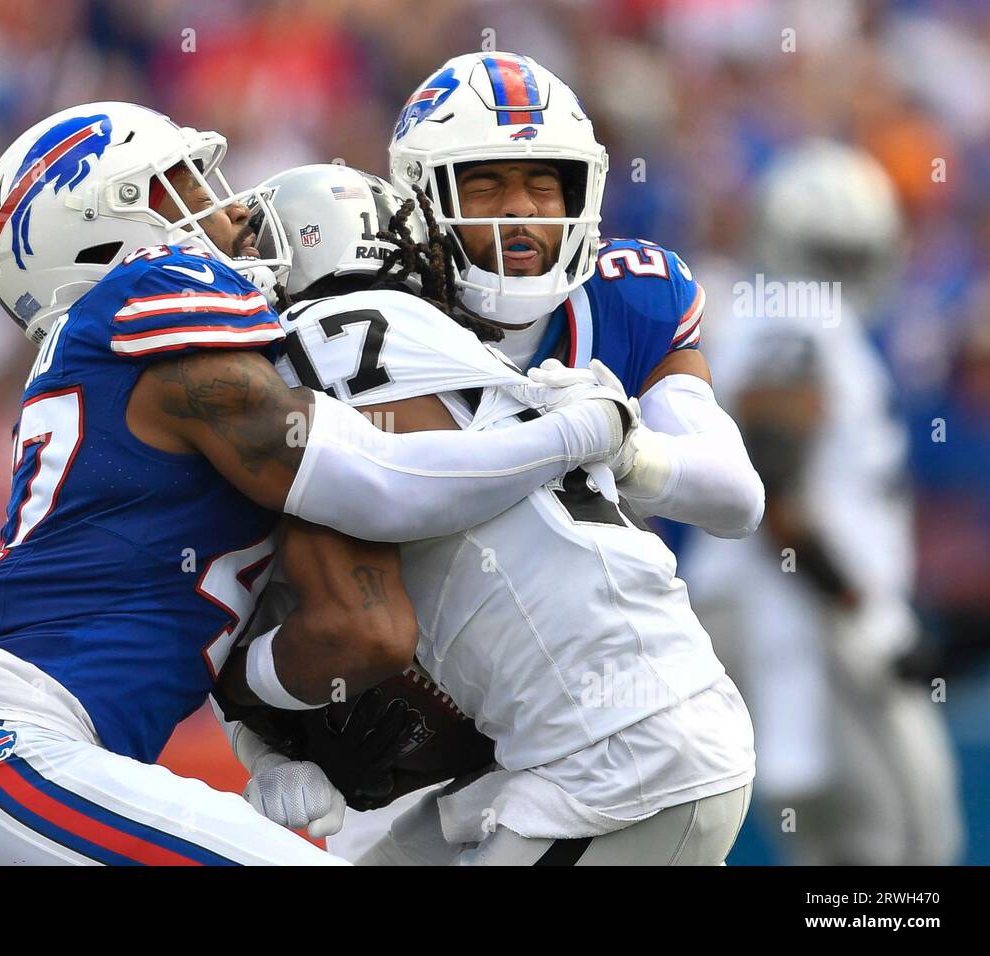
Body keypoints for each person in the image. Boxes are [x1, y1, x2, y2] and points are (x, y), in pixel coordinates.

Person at [0, 102, 633, 866]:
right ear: (112, 228)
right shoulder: (153, 288)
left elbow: (198, 605)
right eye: (183, 184)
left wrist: (265, 752)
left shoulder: (118, 371)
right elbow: (368, 479)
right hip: (7, 754)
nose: (230, 209)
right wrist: (573, 430)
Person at [219, 164, 755, 865]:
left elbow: (358, 594)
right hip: (613, 737)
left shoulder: (308, 353)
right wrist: (261, 747)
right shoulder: (438, 344)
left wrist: (243, 700)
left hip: (621, 764)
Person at [682, 141, 963, 865]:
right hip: (802, 617)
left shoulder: (778, 320)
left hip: (802, 610)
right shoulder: (793, 324)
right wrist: (857, 605)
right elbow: (780, 495)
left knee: (895, 841)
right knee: (875, 845)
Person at [388, 52, 763, 540]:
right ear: (422, 199)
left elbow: (738, 499)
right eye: (484, 185)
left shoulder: (629, 298)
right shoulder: (383, 310)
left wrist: (625, 449)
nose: (521, 208)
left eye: (543, 184)